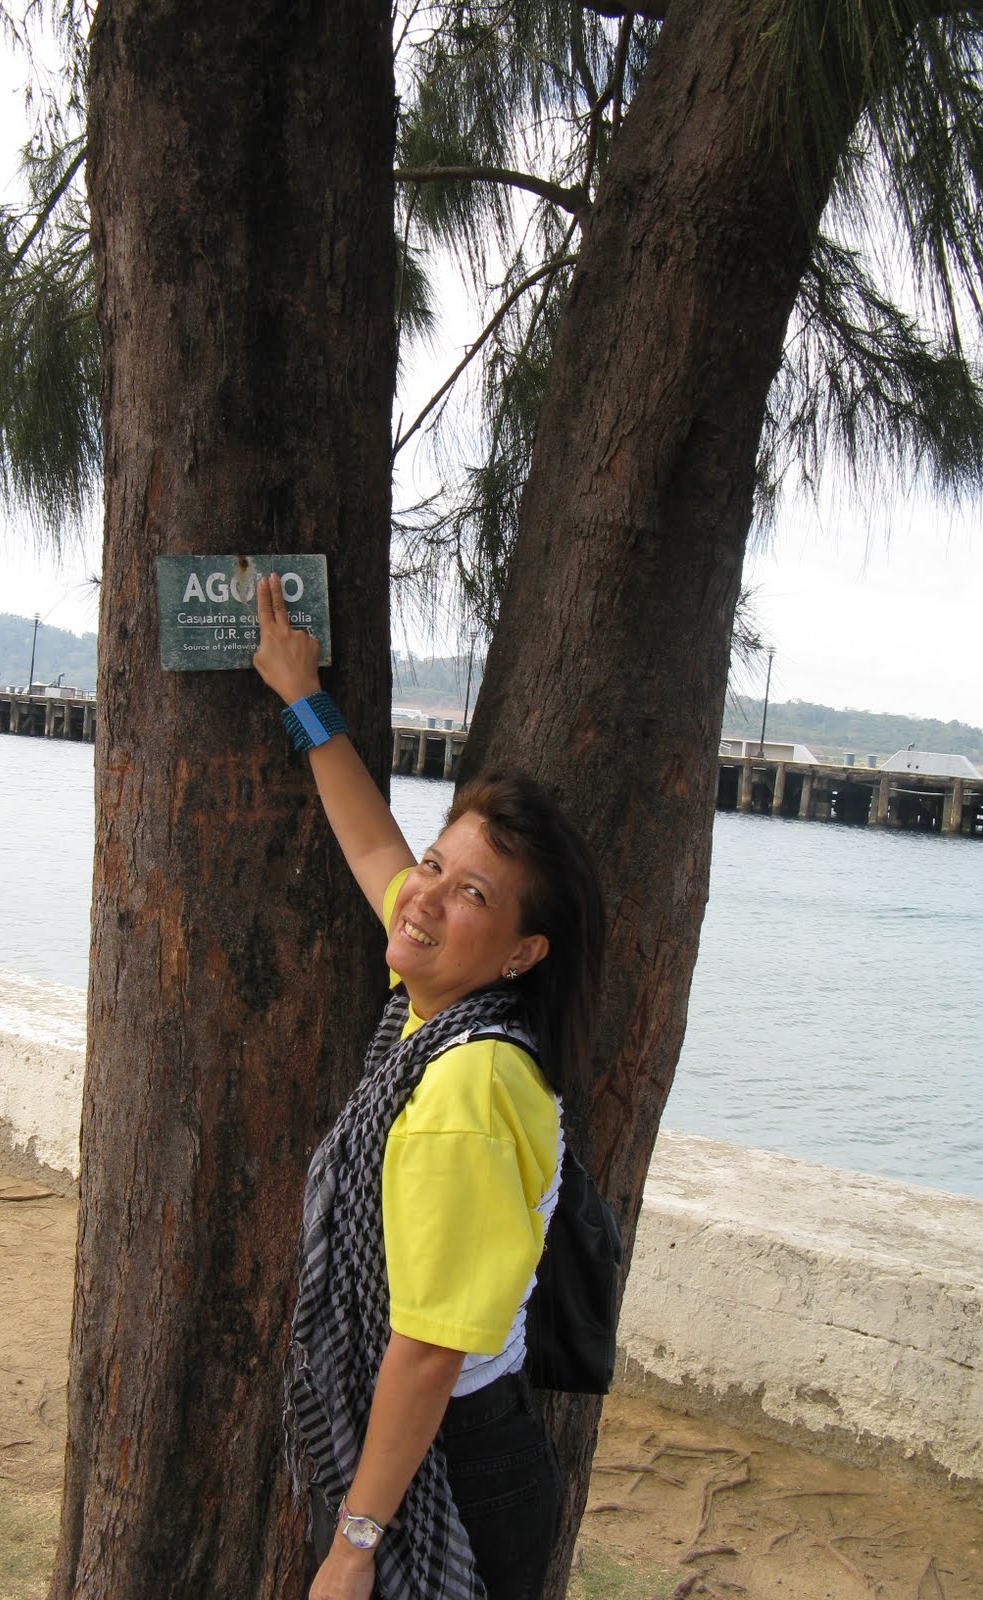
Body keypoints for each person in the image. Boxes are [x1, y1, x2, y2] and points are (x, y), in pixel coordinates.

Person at [254, 575, 605, 1600]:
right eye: (439, 865)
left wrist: (354, 1541)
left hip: (451, 1463)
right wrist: (301, 696)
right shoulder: (439, 1010)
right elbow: (373, 845)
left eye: (473, 893)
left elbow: (428, 1346)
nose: (426, 897)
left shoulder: (466, 1084)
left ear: (521, 950)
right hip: (436, 1446)